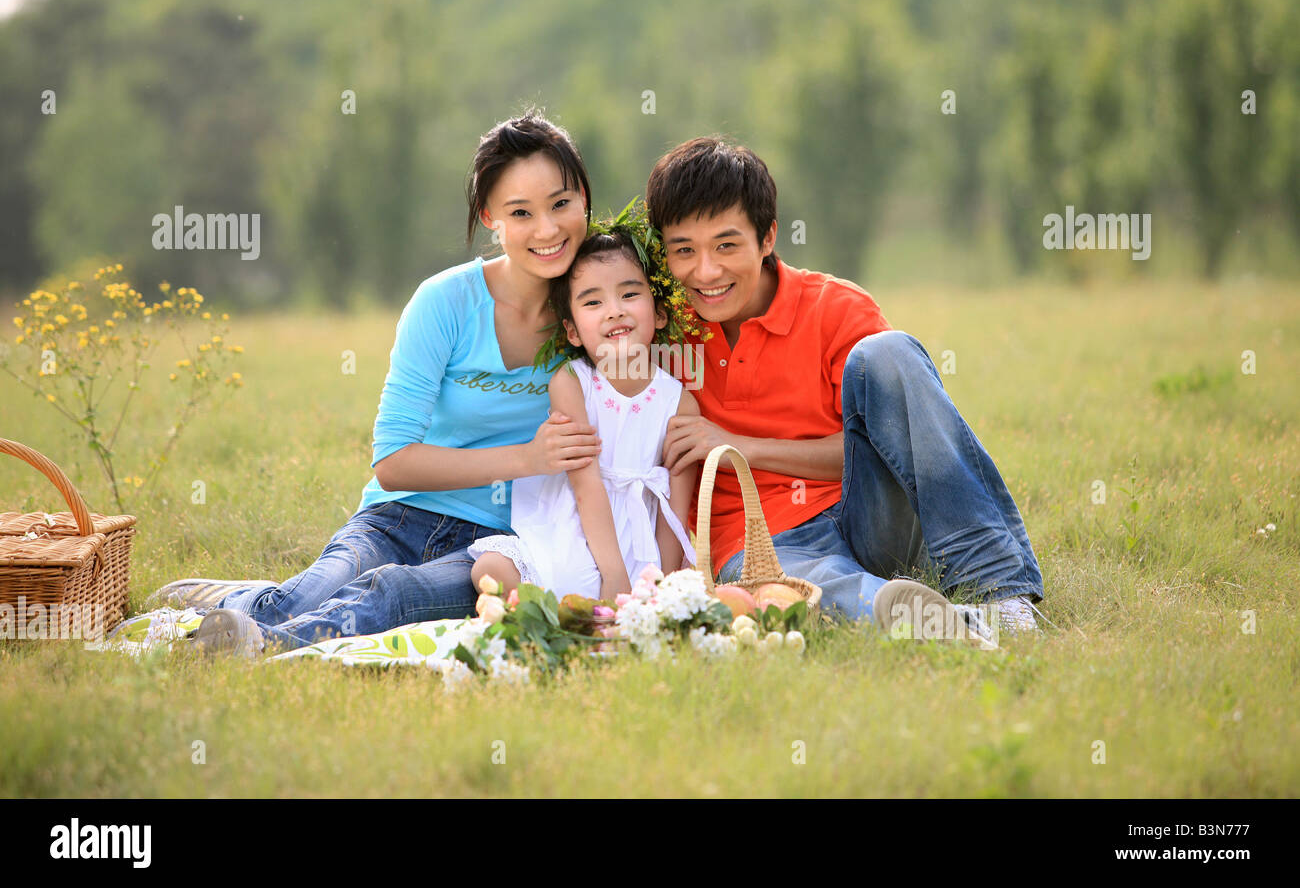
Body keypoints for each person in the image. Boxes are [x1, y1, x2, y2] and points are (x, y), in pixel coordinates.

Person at [157, 110, 608, 653]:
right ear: (492, 217)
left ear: (583, 196)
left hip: (503, 543)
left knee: (390, 594)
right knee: (310, 594)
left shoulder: (601, 309)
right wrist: (528, 458)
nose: (548, 229)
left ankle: (256, 646)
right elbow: (393, 464)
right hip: (398, 516)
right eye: (521, 212)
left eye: (561, 204)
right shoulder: (444, 302)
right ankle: (251, 604)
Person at [645, 136, 1045, 641]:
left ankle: (999, 592)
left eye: (726, 245)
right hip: (762, 540)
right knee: (799, 590)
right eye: (684, 251)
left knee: (890, 353)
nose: (705, 272)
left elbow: (891, 446)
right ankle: (940, 622)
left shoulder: (836, 309)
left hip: (871, 514)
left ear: (767, 238)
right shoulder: (659, 330)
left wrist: (738, 445)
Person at [468, 225, 699, 603]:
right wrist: (613, 574)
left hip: (641, 545)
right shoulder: (572, 383)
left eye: (629, 294)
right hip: (575, 529)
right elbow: (585, 483)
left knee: (667, 596)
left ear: (658, 313)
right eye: (593, 303)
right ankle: (563, 609)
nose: (615, 310)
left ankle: (598, 608)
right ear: (573, 331)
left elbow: (674, 507)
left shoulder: (679, 403)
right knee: (490, 568)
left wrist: (661, 584)